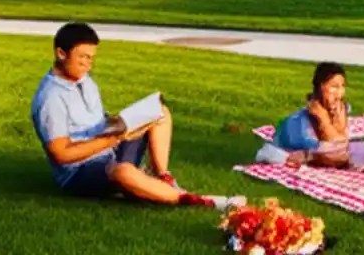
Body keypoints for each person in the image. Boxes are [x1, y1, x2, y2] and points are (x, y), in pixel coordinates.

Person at [30, 22, 243, 209]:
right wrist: (116, 138)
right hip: (80, 172)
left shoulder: (84, 80)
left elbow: (96, 121)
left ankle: (163, 178)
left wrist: (123, 124)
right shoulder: (50, 98)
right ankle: (195, 200)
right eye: (83, 57)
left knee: (159, 112)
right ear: (61, 53)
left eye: (92, 58)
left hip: (109, 147)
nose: (88, 64)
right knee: (123, 172)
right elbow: (61, 154)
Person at [256, 62, 354, 169]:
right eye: (334, 87)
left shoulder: (339, 109)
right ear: (321, 87)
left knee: (358, 154)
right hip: (285, 148)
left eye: (342, 86)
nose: (340, 93)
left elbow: (342, 145)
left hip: (318, 150)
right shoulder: (299, 124)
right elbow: (335, 151)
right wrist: (324, 120)